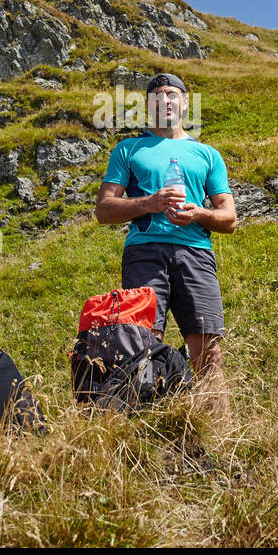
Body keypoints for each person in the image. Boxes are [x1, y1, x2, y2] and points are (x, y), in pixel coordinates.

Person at [93, 72, 237, 420]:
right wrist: (150, 203)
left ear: (185, 102)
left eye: (172, 94)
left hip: (197, 254)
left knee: (207, 347)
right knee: (141, 341)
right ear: (148, 105)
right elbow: (103, 210)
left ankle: (219, 431)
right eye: (157, 96)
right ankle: (144, 423)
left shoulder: (206, 154)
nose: (165, 101)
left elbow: (229, 218)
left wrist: (197, 213)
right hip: (145, 252)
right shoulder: (128, 149)